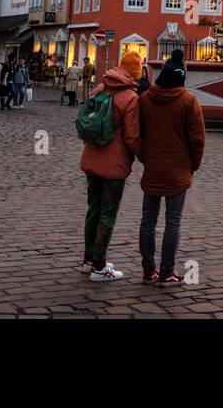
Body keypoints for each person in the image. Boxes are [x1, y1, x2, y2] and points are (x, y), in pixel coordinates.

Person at [138, 49, 205, 286]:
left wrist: (145, 157)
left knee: (148, 220)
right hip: (178, 170)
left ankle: (148, 270)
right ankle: (167, 272)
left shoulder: (145, 99)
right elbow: (197, 139)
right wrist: (192, 165)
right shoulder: (189, 101)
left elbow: (137, 134)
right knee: (173, 221)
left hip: (153, 168)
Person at [79, 51, 143, 282]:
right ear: (136, 73)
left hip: (90, 159)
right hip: (113, 166)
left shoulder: (100, 88)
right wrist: (145, 158)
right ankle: (99, 266)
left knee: (93, 209)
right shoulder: (130, 97)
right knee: (108, 213)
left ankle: (88, 259)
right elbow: (133, 137)